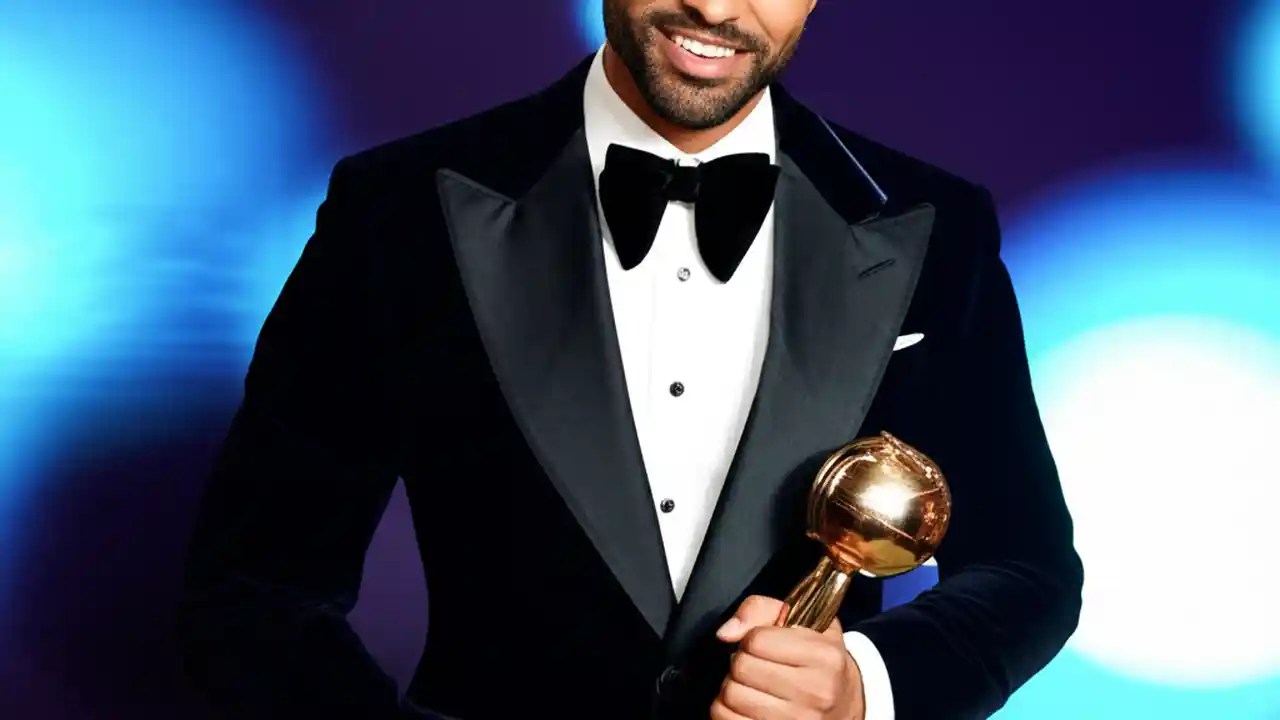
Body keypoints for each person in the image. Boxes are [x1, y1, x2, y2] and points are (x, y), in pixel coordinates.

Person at [176, 1, 1083, 718]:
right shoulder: (398, 209)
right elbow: (252, 589)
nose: (715, 5)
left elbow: (1028, 571)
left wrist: (865, 687)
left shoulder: (934, 225)